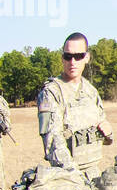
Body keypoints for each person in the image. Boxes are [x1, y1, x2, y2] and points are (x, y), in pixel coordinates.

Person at [37, 32, 112, 180]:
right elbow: (52, 142)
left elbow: (102, 128)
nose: (72, 62)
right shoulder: (51, 92)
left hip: (94, 174)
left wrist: (108, 132)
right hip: (67, 178)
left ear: (87, 57)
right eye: (68, 56)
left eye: (78, 56)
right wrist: (73, 176)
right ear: (62, 58)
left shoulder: (91, 91)